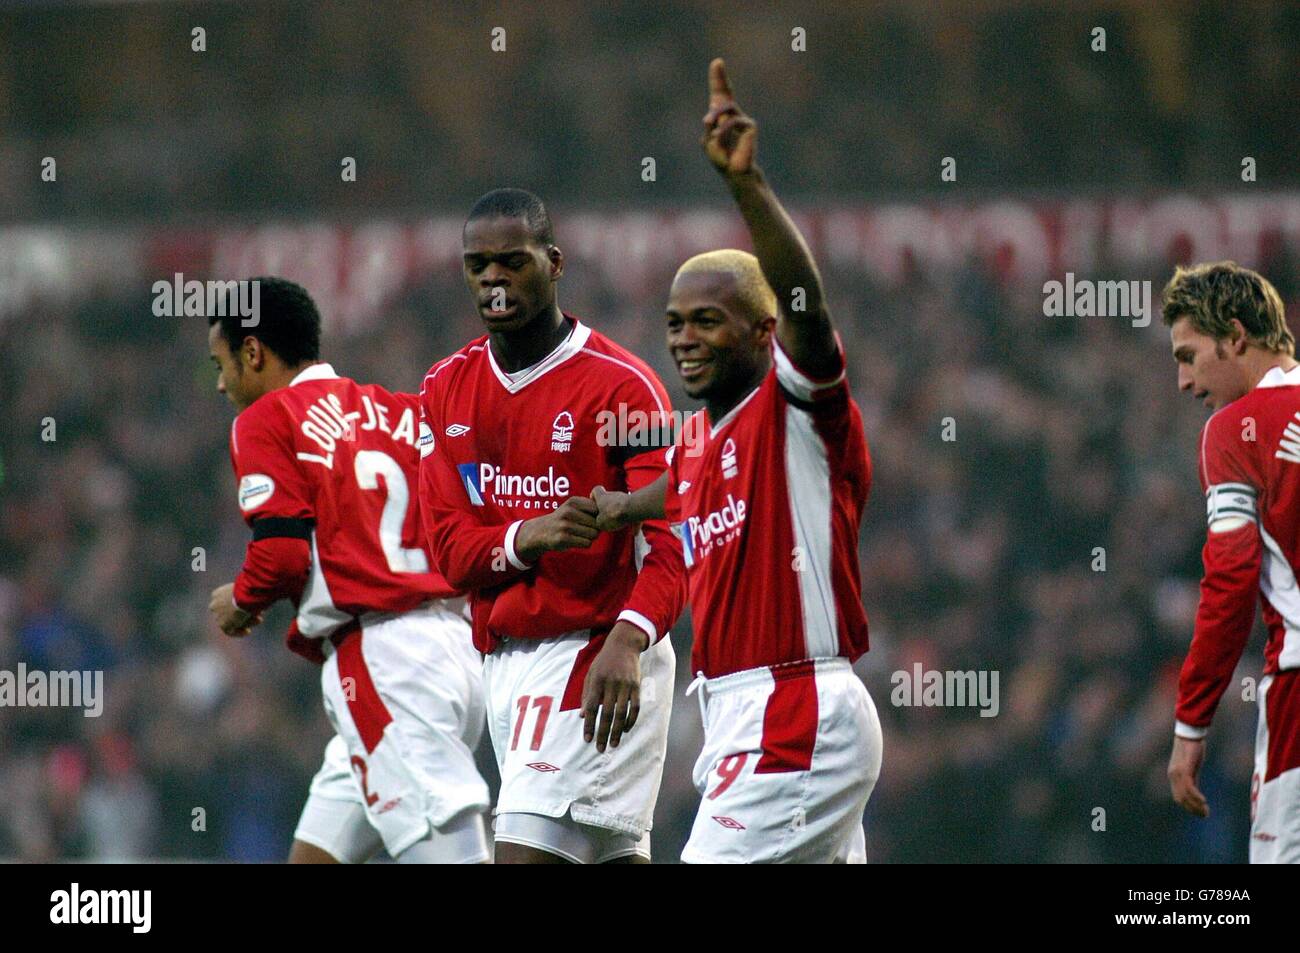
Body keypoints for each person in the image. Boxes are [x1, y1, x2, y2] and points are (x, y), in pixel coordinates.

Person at [592, 60, 882, 863]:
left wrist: (746, 187)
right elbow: (674, 491)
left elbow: (809, 311)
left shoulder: (797, 410)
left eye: (708, 321)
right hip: (735, 716)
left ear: (762, 334)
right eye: (674, 322)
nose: (683, 336)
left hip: (797, 706)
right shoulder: (700, 445)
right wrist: (614, 510)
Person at [417, 190, 687, 864]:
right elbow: (451, 551)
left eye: (512, 261)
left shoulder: (623, 386)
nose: (493, 279)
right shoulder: (446, 387)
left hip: (594, 655)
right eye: (478, 265)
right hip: (504, 662)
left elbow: (674, 538)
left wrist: (628, 641)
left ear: (554, 262)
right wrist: (530, 535)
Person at [205, 276, 490, 864]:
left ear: (252, 352)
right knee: (317, 855)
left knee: (450, 854)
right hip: (456, 652)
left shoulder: (265, 419)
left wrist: (240, 601)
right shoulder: (404, 412)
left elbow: (282, 554)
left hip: (381, 661)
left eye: (221, 362)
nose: (220, 382)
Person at [1162, 260, 1300, 863]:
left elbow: (1230, 584)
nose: (1184, 381)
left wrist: (1192, 724)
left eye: (1189, 356)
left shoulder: (1234, 432)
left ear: (1236, 337)